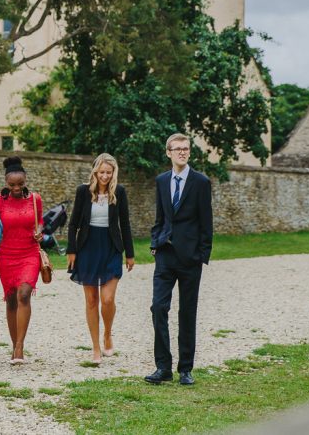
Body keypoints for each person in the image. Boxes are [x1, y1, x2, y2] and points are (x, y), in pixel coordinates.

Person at [145, 133, 212, 387]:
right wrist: (155, 243)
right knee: (158, 308)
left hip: (190, 258)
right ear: (168, 153)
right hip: (165, 254)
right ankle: (163, 367)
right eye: (177, 149)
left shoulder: (201, 182)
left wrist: (201, 256)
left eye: (186, 149)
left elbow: (207, 222)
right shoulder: (162, 180)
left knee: (187, 313)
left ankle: (186, 369)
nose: (182, 152)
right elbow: (160, 217)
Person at [66, 153, 135, 364]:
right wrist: (72, 250)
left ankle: (108, 333)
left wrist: (130, 254)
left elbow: (125, 224)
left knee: (107, 299)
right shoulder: (83, 191)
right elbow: (73, 224)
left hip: (111, 247)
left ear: (114, 173)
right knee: (91, 300)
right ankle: (95, 347)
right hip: (87, 247)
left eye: (109, 172)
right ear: (95, 171)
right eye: (102, 172)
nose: (105, 176)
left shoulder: (119, 192)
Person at [0, 156, 43, 364]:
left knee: (24, 294)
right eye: (12, 185)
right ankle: (13, 345)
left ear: (25, 181)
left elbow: (40, 222)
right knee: (11, 300)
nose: (16, 188)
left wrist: (39, 232)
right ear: (6, 182)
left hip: (29, 253)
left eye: (20, 184)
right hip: (7, 255)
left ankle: (20, 347)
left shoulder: (34, 199)